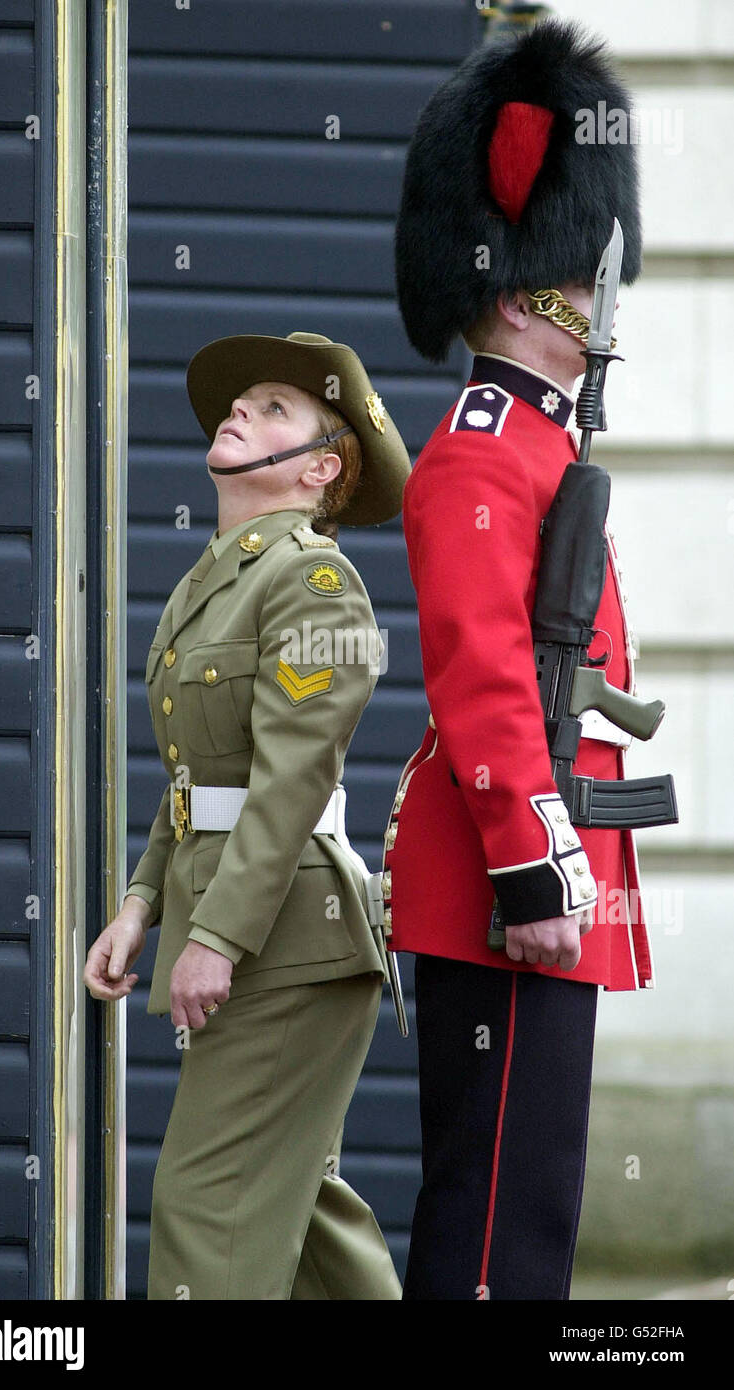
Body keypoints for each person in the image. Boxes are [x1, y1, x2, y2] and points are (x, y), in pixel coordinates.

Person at [384, 18, 667, 1299]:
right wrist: (538, 869)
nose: (604, 305)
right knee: (496, 1227)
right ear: (524, 288)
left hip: (547, 884)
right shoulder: (481, 453)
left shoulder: (541, 454)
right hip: (515, 896)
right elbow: (485, 673)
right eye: (584, 276)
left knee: (532, 1212)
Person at [83, 330, 411, 1300]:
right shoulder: (211, 581)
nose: (240, 410)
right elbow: (200, 777)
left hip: (286, 938)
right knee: (299, 1212)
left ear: (318, 468)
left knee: (208, 1204)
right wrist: (143, 903)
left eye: (275, 408)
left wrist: (216, 936)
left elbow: (292, 780)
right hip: (253, 924)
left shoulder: (313, 580)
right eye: (242, 401)